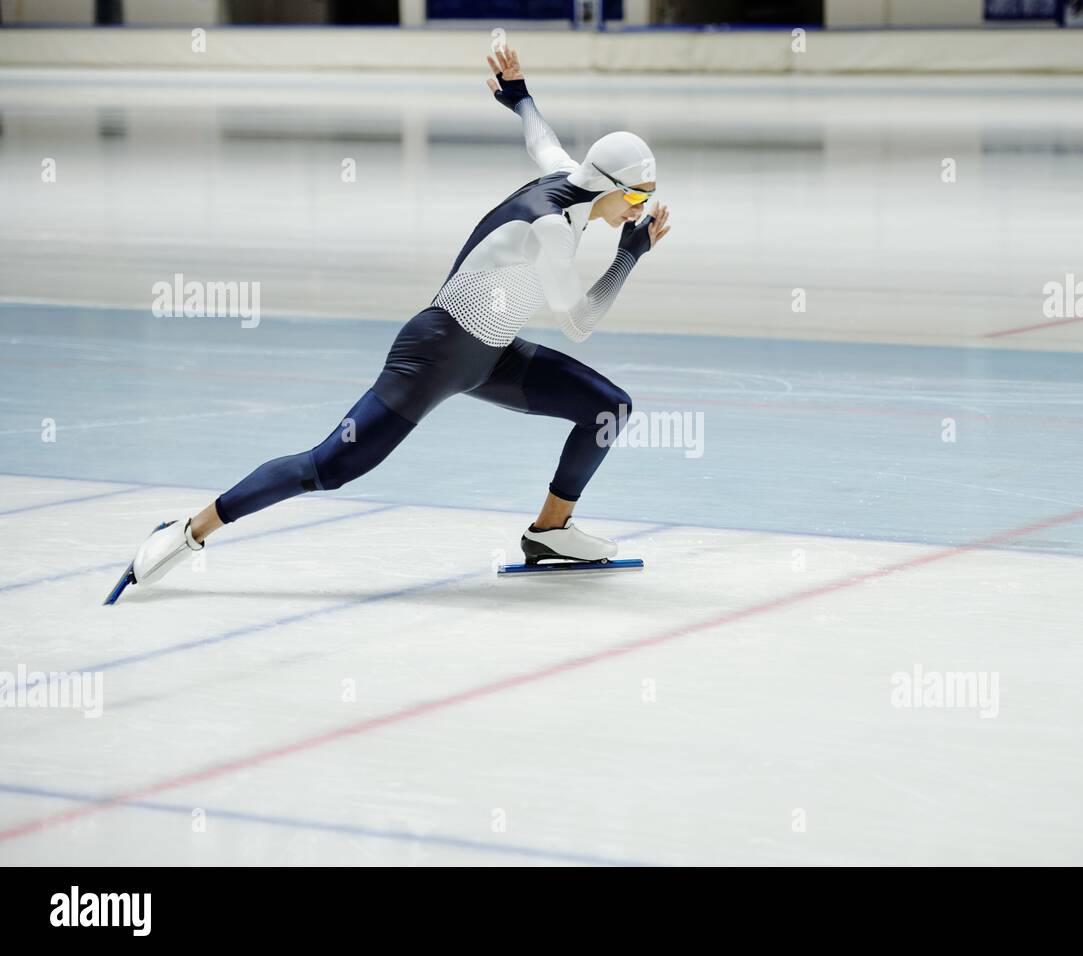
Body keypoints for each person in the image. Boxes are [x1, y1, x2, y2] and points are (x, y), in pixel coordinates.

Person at [120, 44, 671, 596]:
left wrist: (520, 95)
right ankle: (189, 531)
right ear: (611, 185)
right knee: (328, 466)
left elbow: (541, 137)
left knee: (608, 407)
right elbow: (579, 321)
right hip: (434, 353)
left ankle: (551, 531)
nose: (639, 211)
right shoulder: (551, 227)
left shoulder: (569, 177)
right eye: (638, 197)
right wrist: (629, 254)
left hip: (490, 356)